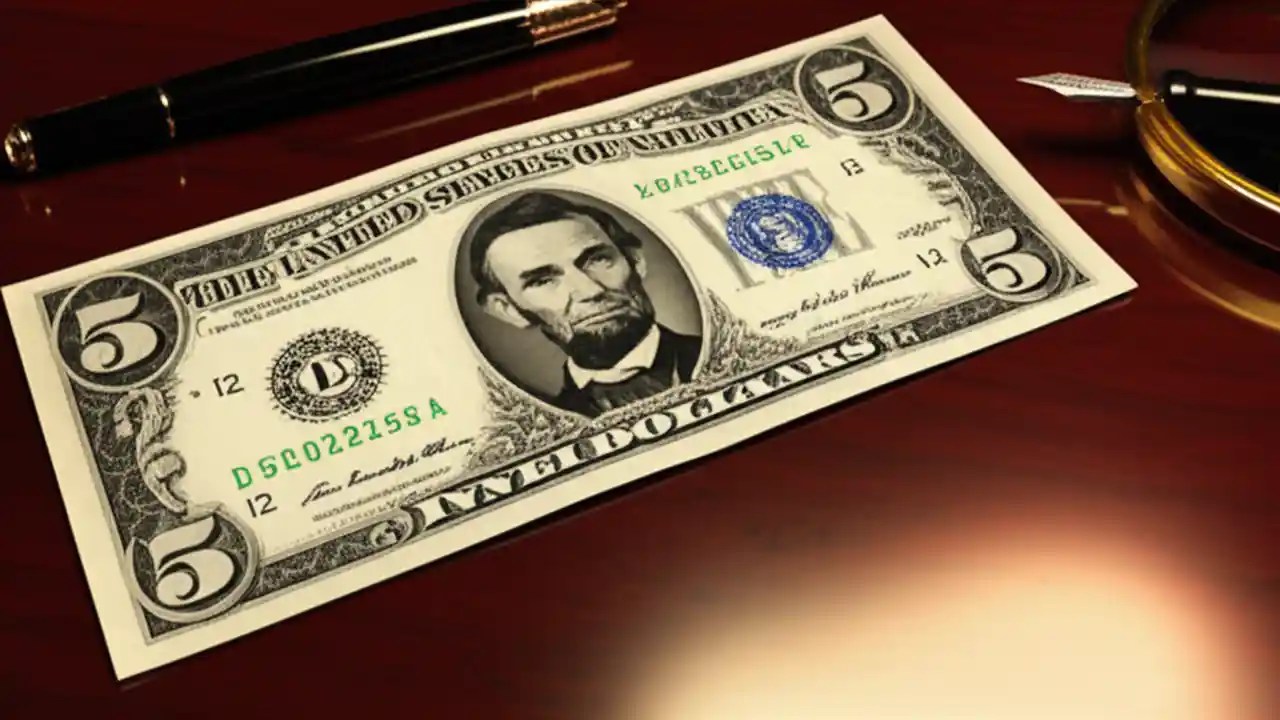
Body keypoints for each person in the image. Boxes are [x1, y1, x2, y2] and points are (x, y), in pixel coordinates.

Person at [468, 191, 701, 418]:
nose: (591, 290)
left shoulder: (711, 352)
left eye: (598, 260)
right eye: (543, 281)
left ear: (636, 261)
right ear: (508, 310)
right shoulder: (553, 421)